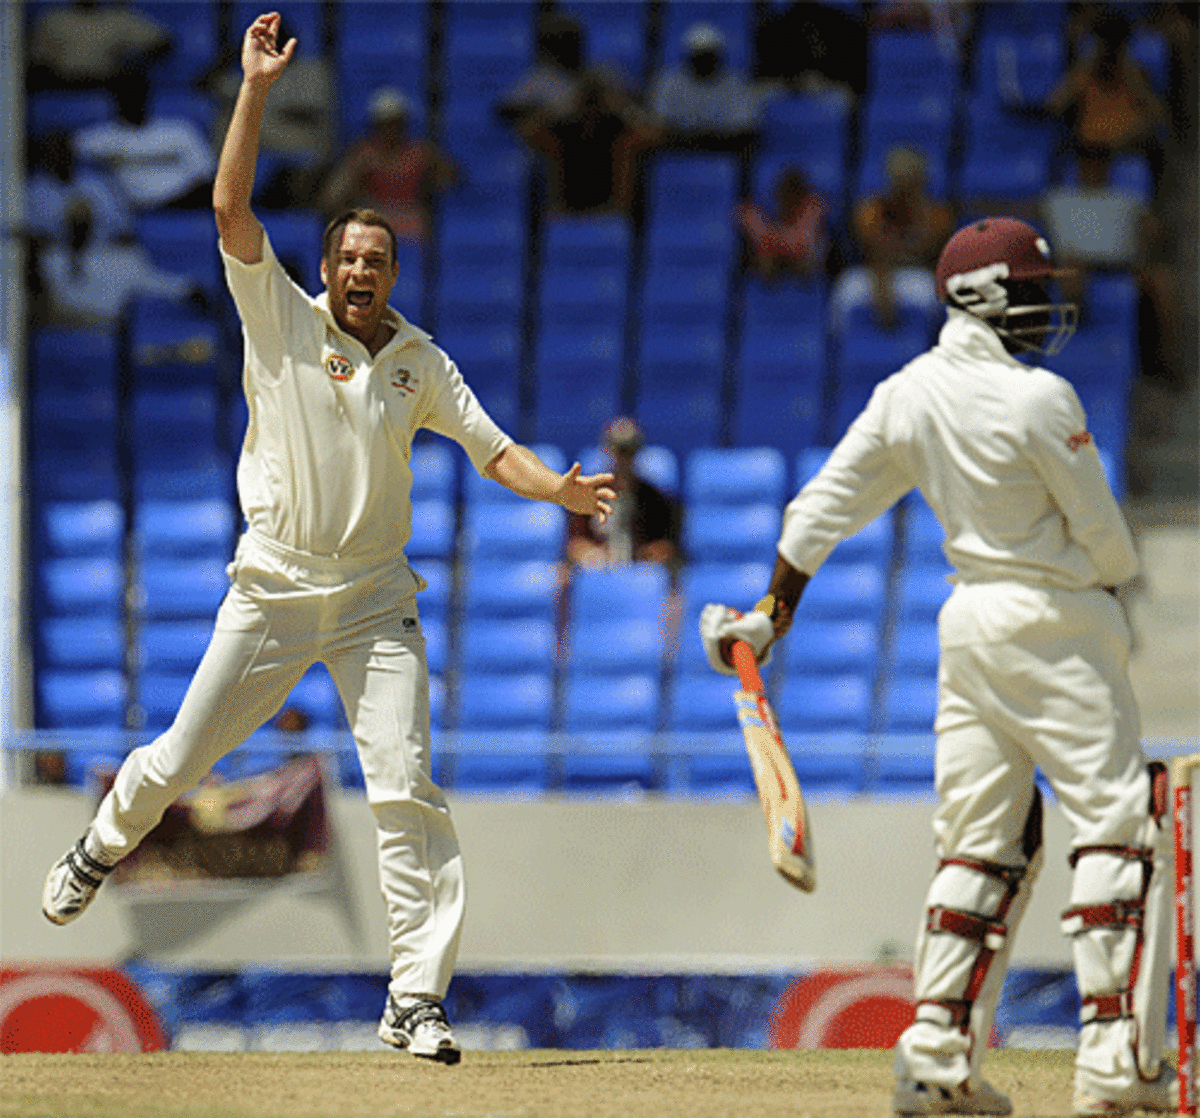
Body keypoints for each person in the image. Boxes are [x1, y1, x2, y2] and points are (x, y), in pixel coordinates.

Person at [40, 12, 614, 1067]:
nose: (362, 271)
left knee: (407, 788)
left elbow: (494, 450)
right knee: (177, 758)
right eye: (348, 256)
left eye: (377, 258)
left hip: (373, 600)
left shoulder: (419, 360)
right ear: (325, 266)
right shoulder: (281, 316)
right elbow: (226, 204)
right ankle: (99, 842)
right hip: (271, 587)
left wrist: (560, 491)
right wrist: (254, 87)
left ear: (393, 272)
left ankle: (413, 998)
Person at [699, 217, 1175, 1116]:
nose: (1046, 304)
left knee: (979, 846)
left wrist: (772, 616)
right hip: (1058, 622)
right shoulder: (1043, 400)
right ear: (985, 298)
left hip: (968, 630)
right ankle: (1116, 1063)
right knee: (1117, 827)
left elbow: (817, 511)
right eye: (1031, 289)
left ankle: (935, 1056)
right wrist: (1112, 579)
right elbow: (1109, 543)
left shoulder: (906, 393)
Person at [830, 145, 953, 332]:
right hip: (873, 274)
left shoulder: (936, 212)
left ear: (920, 178)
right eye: (898, 175)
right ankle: (844, 351)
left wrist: (915, 218)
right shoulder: (871, 208)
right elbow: (870, 247)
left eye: (907, 175)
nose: (902, 181)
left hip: (914, 275)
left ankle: (927, 345)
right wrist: (882, 279)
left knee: (928, 295)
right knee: (845, 290)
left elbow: (927, 251)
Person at [319, 87, 459, 243]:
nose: (390, 131)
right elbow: (332, 197)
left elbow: (451, 178)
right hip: (374, 221)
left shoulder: (421, 153)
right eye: (385, 124)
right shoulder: (362, 155)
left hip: (413, 223)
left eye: (395, 123)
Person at [35, 197, 200, 328]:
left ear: (95, 222)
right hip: (69, 334)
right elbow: (46, 311)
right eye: (74, 220)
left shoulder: (124, 259)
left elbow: (161, 284)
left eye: (84, 219)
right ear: (64, 224)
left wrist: (187, 289)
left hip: (111, 332)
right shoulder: (50, 259)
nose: (79, 225)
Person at [72, 64, 216, 210]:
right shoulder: (99, 137)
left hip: (183, 203)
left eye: (138, 93)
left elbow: (206, 172)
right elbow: (72, 153)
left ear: (147, 95)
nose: (133, 99)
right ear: (116, 98)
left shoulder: (179, 130)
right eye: (126, 94)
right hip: (129, 207)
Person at [516, 75, 658, 217]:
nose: (591, 108)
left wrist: (623, 106)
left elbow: (652, 134)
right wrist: (561, 106)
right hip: (568, 210)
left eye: (596, 101)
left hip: (610, 212)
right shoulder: (563, 129)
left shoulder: (617, 128)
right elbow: (528, 131)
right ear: (578, 101)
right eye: (588, 101)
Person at [566, 417, 680, 569]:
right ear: (607, 451)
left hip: (640, 577)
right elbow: (575, 544)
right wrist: (591, 554)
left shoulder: (655, 499)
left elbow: (668, 546)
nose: (623, 458)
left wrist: (646, 555)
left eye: (629, 451)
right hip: (599, 572)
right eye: (618, 450)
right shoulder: (589, 494)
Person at [648, 22, 764, 148]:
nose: (703, 62)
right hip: (676, 153)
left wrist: (695, 136)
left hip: (724, 154)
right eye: (698, 56)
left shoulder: (736, 84)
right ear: (687, 58)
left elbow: (745, 130)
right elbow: (656, 127)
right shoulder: (669, 83)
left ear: (719, 57)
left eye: (708, 55)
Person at [737, 166, 829, 283]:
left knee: (809, 257)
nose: (789, 200)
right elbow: (742, 213)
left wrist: (773, 238)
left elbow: (802, 245)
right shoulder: (768, 210)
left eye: (794, 194)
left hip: (806, 274)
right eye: (786, 194)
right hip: (771, 272)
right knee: (765, 258)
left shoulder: (814, 207)